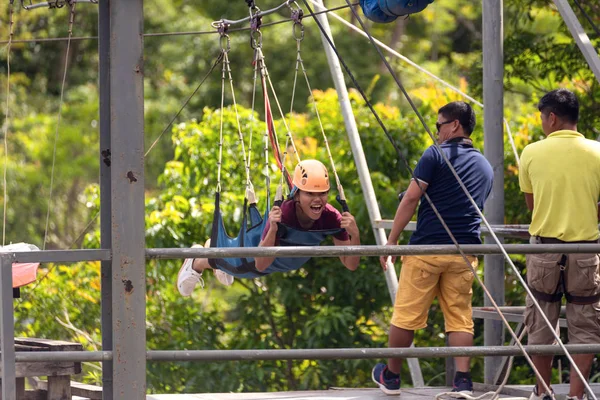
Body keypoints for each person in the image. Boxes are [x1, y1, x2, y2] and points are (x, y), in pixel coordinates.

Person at [372, 101, 493, 397]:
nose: (436, 131)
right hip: (464, 254)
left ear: (454, 125)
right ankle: (463, 381)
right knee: (460, 317)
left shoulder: (434, 155)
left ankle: (392, 377)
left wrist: (392, 241)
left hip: (427, 249)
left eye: (439, 125)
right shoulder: (485, 166)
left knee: (406, 315)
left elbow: (411, 199)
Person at [177, 159, 361, 297]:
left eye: (322, 193)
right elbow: (261, 263)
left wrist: (355, 235)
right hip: (257, 255)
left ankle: (216, 252)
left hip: (283, 263)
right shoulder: (284, 214)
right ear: (296, 195)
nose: (317, 199)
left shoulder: (332, 218)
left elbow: (351, 264)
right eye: (310, 193)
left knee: (228, 262)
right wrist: (273, 229)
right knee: (233, 266)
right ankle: (197, 260)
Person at [519, 88, 600, 400]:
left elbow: (532, 205)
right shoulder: (597, 151)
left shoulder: (531, 152)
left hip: (543, 250)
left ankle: (543, 392)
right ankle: (577, 395)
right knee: (586, 325)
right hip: (587, 250)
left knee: (540, 322)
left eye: (542, 117)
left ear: (551, 118)